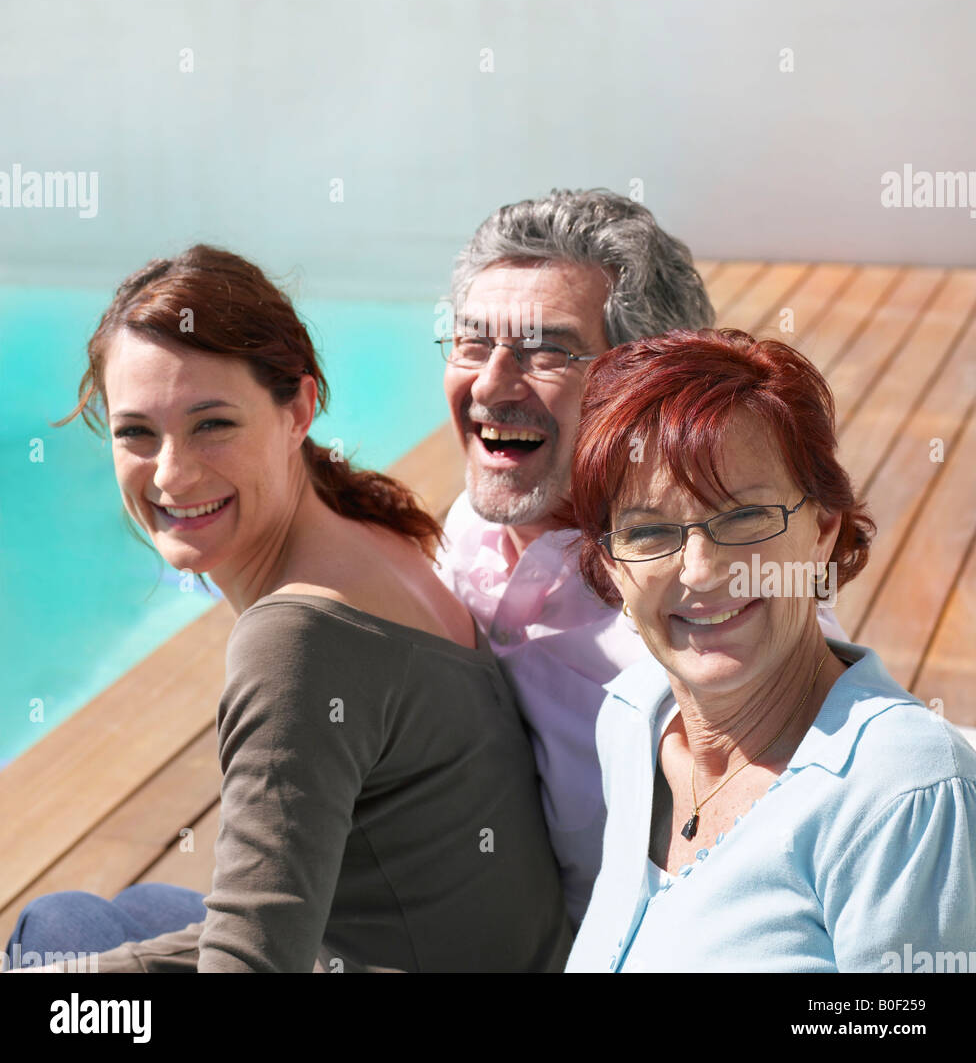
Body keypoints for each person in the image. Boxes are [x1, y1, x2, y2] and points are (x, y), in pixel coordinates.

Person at [6, 245, 571, 973]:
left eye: (212, 424)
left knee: (52, 928)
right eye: (136, 432)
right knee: (106, 920)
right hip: (432, 944)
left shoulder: (295, 642)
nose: (172, 474)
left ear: (298, 409)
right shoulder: (371, 530)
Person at [435, 187, 846, 923]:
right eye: (472, 342)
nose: (491, 384)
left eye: (548, 350)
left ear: (647, 387)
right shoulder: (466, 526)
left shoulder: (712, 617)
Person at [563, 329, 976, 972]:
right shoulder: (631, 718)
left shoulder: (901, 791)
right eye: (649, 531)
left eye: (743, 518)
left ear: (823, 530)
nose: (699, 572)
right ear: (611, 563)